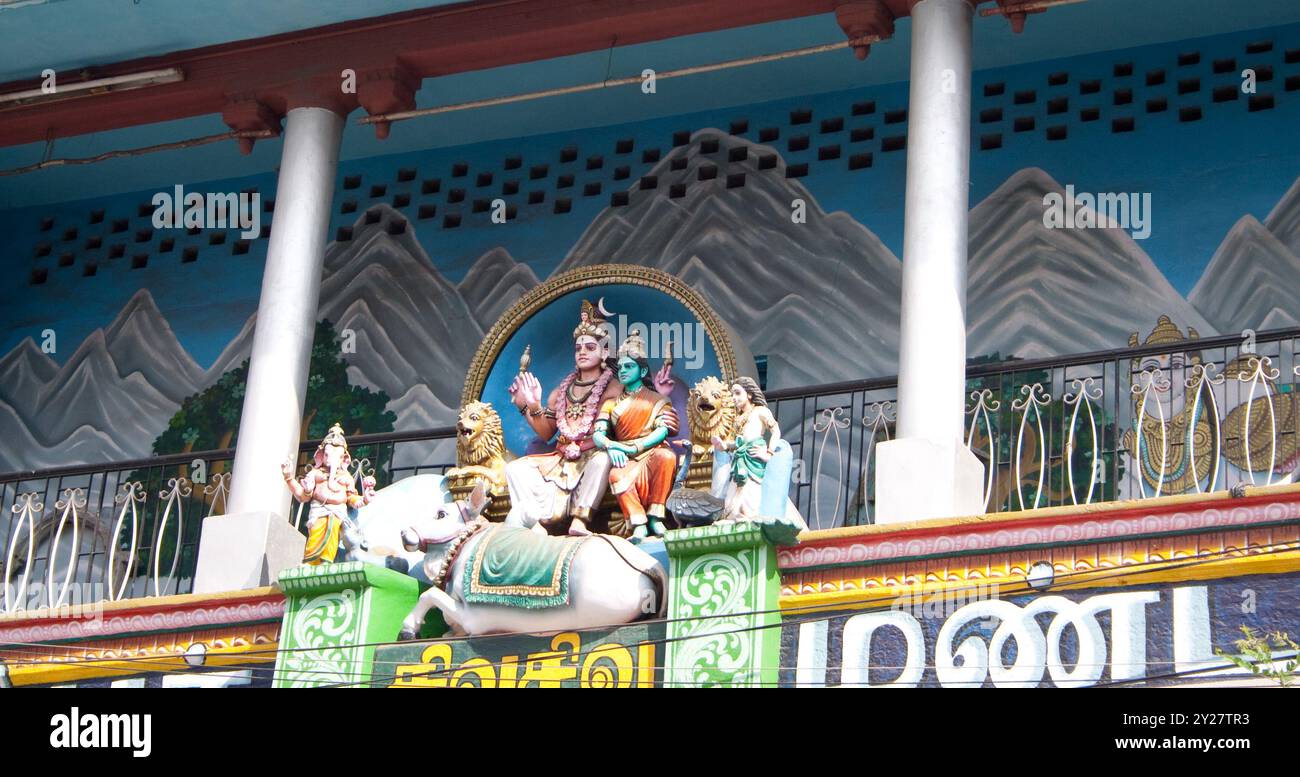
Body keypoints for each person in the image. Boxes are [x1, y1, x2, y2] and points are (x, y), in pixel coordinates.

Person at [504, 300, 622, 536]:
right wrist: (528, 406)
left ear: (604, 352)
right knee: (515, 469)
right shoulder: (561, 391)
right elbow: (547, 432)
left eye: (590, 347)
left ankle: (580, 520)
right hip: (559, 458)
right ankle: (534, 523)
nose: (582, 353)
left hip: (593, 454)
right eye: (578, 348)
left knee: (602, 459)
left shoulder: (614, 388)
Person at [592, 333, 679, 539]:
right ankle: (637, 521)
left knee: (666, 457)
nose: (622, 371)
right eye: (620, 367)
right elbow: (598, 434)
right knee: (616, 475)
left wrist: (633, 447)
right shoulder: (610, 403)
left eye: (628, 367)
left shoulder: (656, 400)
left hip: (649, 451)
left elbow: (663, 429)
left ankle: (655, 518)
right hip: (626, 456)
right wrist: (612, 446)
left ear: (642, 370)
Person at [281, 423, 375, 564]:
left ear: (344, 459)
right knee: (316, 533)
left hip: (337, 513)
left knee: (332, 532)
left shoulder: (346, 477)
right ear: (320, 456)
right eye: (327, 455)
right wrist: (289, 477)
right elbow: (301, 496)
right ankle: (310, 562)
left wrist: (365, 499)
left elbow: (352, 498)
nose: (331, 459)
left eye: (337, 456)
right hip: (318, 511)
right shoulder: (315, 474)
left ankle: (326, 562)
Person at [712, 377, 781, 522]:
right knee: (733, 494)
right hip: (740, 458)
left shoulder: (760, 411)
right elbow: (739, 442)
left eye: (737, 393)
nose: (734, 398)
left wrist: (768, 453)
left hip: (753, 456)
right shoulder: (739, 418)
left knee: (750, 490)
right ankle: (732, 517)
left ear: (749, 394)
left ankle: (747, 516)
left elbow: (776, 431)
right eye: (732, 395)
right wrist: (724, 446)